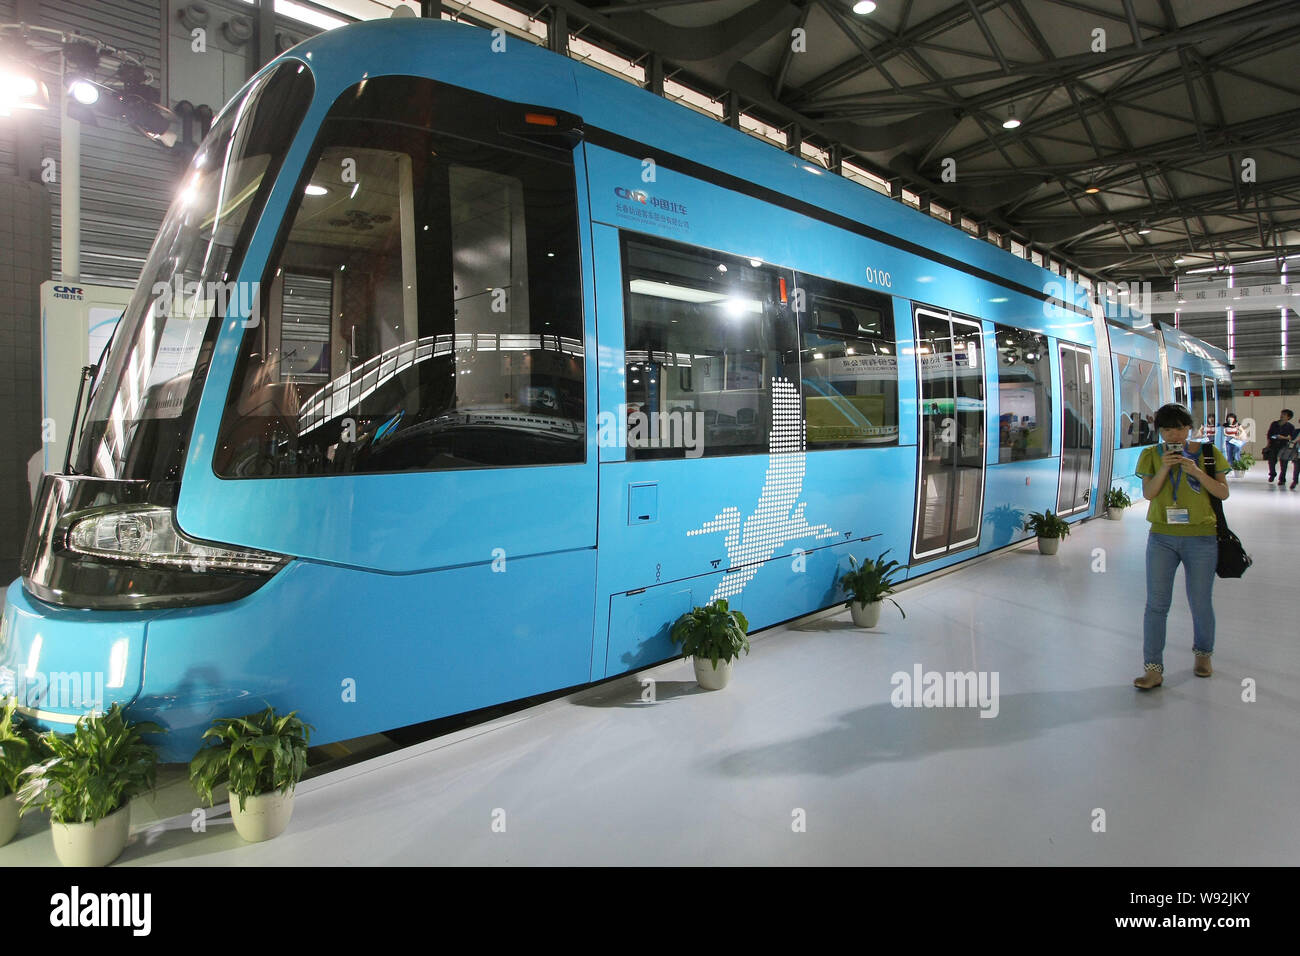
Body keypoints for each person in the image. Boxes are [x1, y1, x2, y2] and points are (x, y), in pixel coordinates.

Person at [1132, 403, 1230, 689]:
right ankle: (1153, 668)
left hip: (1202, 537)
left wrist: (1197, 472)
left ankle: (1203, 655)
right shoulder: (1151, 455)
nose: (1173, 435)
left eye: (1178, 428)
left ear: (1189, 428)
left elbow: (1222, 493)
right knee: (1156, 604)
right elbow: (1150, 493)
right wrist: (1165, 467)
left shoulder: (1209, 454)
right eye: (1165, 429)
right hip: (1161, 537)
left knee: (1200, 601)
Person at [1265, 409, 1296, 484]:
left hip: (1284, 446)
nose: (1282, 415)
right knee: (1271, 461)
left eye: (1284, 414)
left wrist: (1283, 437)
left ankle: (1282, 479)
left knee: (1284, 463)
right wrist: (1272, 440)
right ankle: (1272, 474)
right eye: (1282, 414)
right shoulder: (1274, 424)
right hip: (1273, 444)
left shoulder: (1290, 427)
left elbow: (1292, 437)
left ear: (1288, 417)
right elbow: (1269, 434)